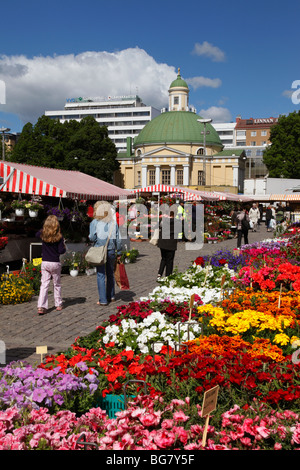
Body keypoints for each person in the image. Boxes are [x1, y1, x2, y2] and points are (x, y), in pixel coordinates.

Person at [89, 201, 122, 306]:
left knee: (100, 275)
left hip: (100, 250)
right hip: (111, 250)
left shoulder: (94, 222)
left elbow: (92, 237)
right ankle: (111, 295)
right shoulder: (113, 222)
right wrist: (119, 251)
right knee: (110, 273)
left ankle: (103, 300)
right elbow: (118, 239)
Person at [36, 215, 66, 315]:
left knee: (44, 284)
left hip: (45, 262)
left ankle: (41, 306)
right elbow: (61, 251)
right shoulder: (59, 237)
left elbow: (36, 234)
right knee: (56, 284)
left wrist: (44, 229)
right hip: (55, 262)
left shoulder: (42, 234)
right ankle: (58, 304)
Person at [157, 209, 178, 279]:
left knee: (163, 258)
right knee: (170, 260)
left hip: (162, 243)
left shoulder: (163, 221)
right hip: (171, 243)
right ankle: (168, 275)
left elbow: (159, 227)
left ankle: (160, 273)